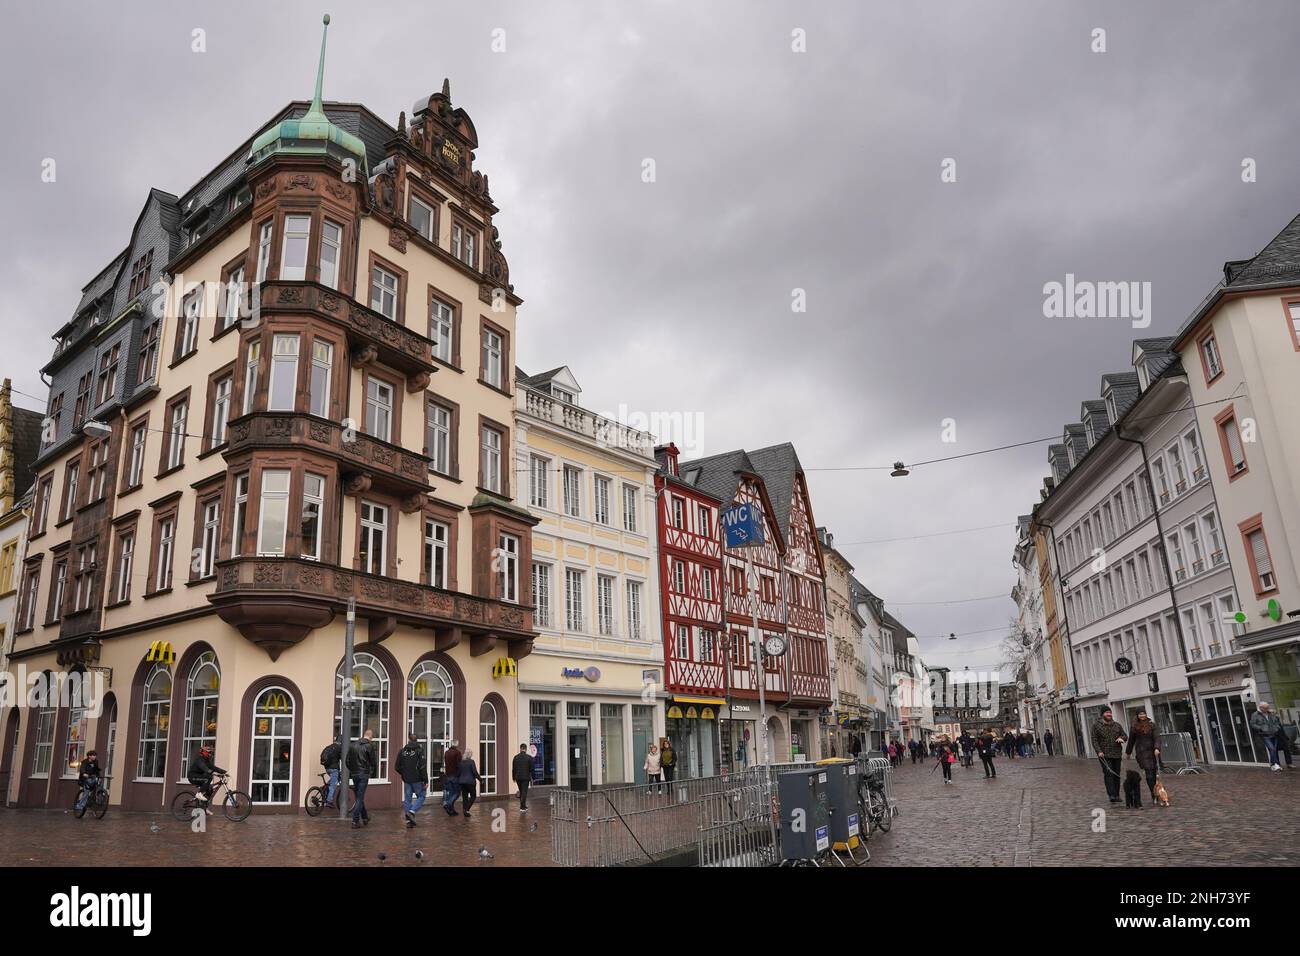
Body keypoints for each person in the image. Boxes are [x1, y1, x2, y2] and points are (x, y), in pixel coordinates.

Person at [1091, 708, 1127, 804]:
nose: (1109, 714)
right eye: (1107, 712)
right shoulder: (1096, 726)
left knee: (1116, 774)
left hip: (1116, 754)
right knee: (1108, 774)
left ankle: (1117, 794)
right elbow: (1094, 740)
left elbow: (1125, 736)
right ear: (1103, 714)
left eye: (1110, 712)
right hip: (1104, 755)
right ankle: (1111, 795)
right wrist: (1099, 751)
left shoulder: (1117, 725)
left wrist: (1121, 738)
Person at [1125, 710, 1161, 800]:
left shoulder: (1152, 725)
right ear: (1137, 715)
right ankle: (1154, 794)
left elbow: (1157, 737)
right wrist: (1128, 752)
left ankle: (1157, 791)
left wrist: (1157, 748)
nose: (1142, 715)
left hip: (1153, 751)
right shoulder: (1134, 727)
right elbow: (1131, 740)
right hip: (1142, 752)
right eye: (1140, 714)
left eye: (1143, 713)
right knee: (1149, 774)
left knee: (1154, 772)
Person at [346, 728, 377, 828]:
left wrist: (352, 770)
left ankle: (364, 817)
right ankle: (355, 821)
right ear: (370, 737)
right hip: (363, 774)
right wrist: (372, 773)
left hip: (355, 774)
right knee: (359, 797)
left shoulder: (352, 745)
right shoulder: (369, 746)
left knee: (359, 796)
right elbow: (373, 762)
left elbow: (347, 761)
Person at [396, 733, 428, 828]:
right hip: (417, 779)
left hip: (407, 779)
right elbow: (422, 767)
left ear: (409, 740)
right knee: (422, 796)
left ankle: (409, 822)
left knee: (407, 799)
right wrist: (425, 780)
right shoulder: (419, 751)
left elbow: (397, 766)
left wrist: (403, 774)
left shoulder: (402, 751)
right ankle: (412, 812)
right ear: (416, 740)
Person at [1250, 702, 1294, 772]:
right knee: (1272, 749)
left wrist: (1276, 727)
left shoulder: (1270, 713)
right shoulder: (1255, 715)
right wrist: (1261, 728)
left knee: (1273, 749)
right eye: (1266, 708)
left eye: (1268, 707)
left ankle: (1274, 764)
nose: (1267, 709)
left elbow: (1276, 721)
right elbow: (1252, 724)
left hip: (1274, 734)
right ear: (1261, 708)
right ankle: (1274, 764)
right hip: (1265, 735)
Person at [188, 744, 226, 812]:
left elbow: (214, 767)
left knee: (210, 790)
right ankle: (199, 794)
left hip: (199, 777)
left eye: (211, 752)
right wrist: (212, 772)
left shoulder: (206, 760)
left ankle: (204, 808)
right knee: (208, 778)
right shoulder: (199, 759)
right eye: (209, 752)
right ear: (204, 752)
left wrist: (224, 772)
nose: (210, 754)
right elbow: (204, 768)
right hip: (193, 777)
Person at [457, 748, 484, 817]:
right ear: (470, 755)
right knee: (473, 796)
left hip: (462, 782)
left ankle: (465, 810)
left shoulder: (461, 762)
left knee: (465, 797)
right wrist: (481, 779)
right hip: (470, 782)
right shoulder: (471, 762)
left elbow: (459, 772)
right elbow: (475, 772)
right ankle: (466, 809)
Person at [320, 737, 342, 808]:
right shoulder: (339, 748)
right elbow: (343, 758)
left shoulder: (329, 746)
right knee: (333, 785)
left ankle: (323, 788)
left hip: (327, 768)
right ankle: (329, 801)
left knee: (334, 779)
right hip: (334, 769)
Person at [442, 739, 462, 816]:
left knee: (451, 793)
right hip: (455, 775)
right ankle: (448, 804)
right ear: (456, 745)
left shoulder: (446, 752)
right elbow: (459, 765)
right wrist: (459, 774)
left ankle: (451, 810)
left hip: (448, 775)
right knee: (457, 793)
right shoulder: (458, 753)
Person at [512, 744, 533, 812]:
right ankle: (522, 807)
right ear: (526, 749)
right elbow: (532, 768)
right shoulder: (529, 757)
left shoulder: (516, 757)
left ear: (520, 748)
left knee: (521, 791)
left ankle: (523, 805)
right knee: (524, 792)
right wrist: (533, 777)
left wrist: (513, 777)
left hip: (518, 777)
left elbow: (513, 768)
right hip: (525, 778)